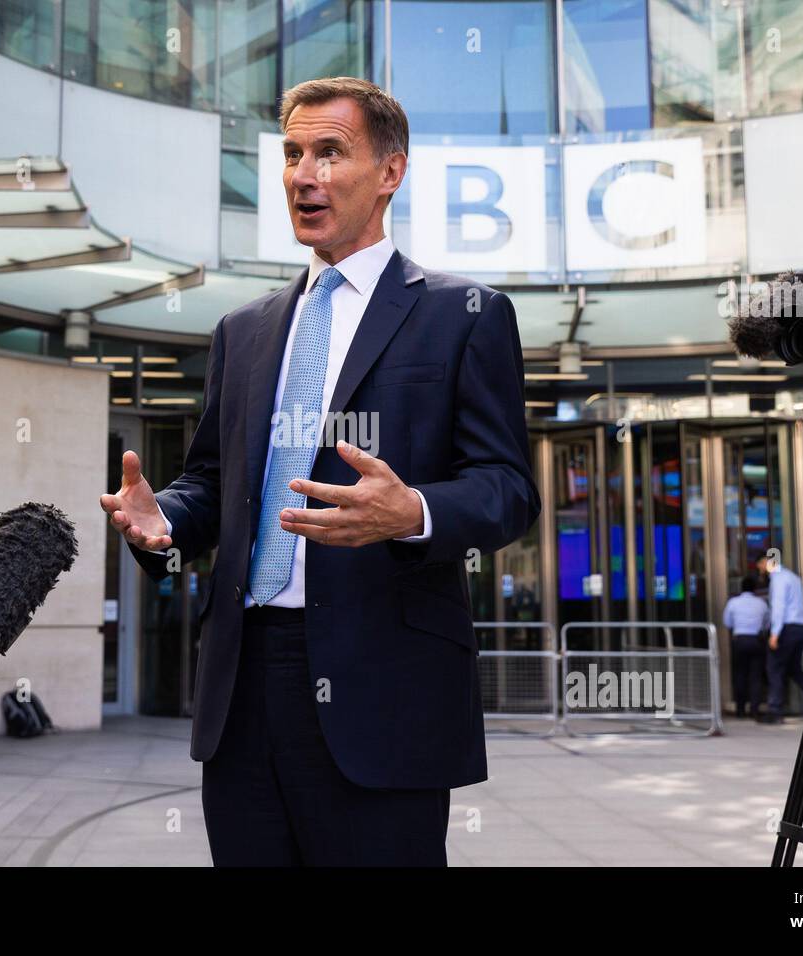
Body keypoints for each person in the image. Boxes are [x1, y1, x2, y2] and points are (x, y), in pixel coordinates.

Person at [100, 77, 539, 866]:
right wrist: (163, 518)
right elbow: (210, 483)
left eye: (330, 152)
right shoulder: (244, 330)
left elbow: (508, 489)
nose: (305, 173)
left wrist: (414, 512)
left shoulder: (463, 314)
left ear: (390, 172)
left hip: (385, 689)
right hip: (243, 687)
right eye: (294, 153)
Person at [760, 555, 803, 723]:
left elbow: (779, 607)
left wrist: (774, 634)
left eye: (760, 565)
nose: (760, 570)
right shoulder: (793, 577)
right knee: (794, 670)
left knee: (774, 669)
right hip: (799, 629)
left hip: (786, 630)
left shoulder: (778, 579)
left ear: (766, 563)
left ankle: (775, 711)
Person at [722, 575, 768, 719]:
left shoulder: (733, 602)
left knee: (740, 675)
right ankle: (754, 709)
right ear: (755, 589)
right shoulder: (761, 603)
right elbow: (767, 623)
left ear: (741, 588)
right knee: (755, 677)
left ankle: (740, 710)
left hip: (740, 640)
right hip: (756, 640)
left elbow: (727, 622)